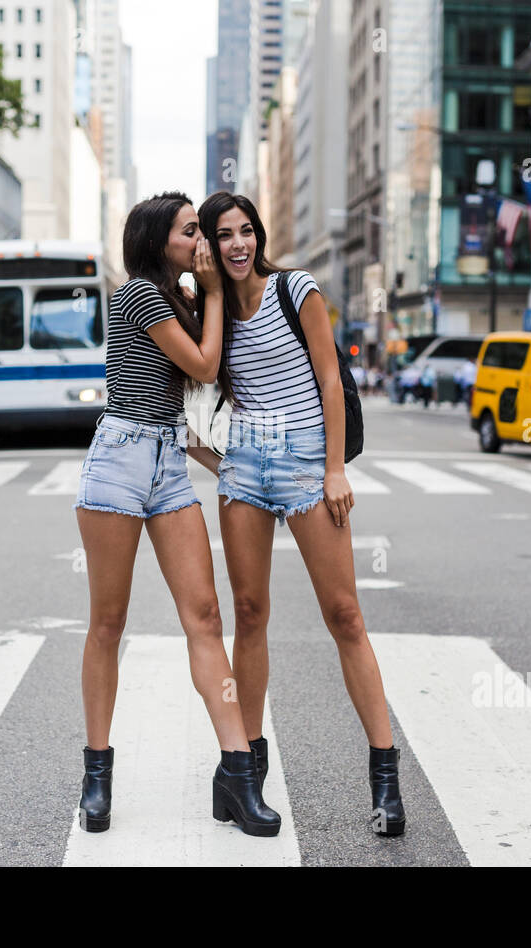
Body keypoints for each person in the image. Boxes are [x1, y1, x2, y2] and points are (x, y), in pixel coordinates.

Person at [193, 190, 405, 836]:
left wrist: (334, 468)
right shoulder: (215, 311)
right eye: (223, 235)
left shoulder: (297, 289)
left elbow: (330, 379)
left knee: (345, 615)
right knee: (250, 615)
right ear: (209, 245)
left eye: (245, 232)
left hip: (310, 462)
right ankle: (245, 771)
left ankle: (385, 775)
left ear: (258, 236)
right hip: (246, 469)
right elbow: (195, 389)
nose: (237, 245)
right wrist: (226, 465)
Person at [72, 191, 277, 838]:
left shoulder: (181, 300)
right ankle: (97, 771)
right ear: (161, 241)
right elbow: (205, 365)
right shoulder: (138, 295)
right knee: (108, 622)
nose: (205, 241)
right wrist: (215, 293)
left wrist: (229, 462)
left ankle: (238, 774)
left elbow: (192, 394)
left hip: (165, 459)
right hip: (119, 459)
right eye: (193, 231)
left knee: (207, 617)